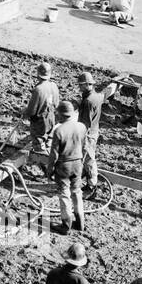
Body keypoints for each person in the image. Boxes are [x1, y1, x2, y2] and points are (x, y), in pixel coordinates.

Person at [48, 100, 88, 235]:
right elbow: (85, 147)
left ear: (61, 114)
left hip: (64, 165)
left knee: (64, 194)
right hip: (78, 164)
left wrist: (50, 170)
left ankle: (66, 225)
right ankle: (80, 221)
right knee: (77, 192)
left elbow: (54, 154)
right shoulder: (82, 127)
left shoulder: (59, 130)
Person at [76, 71, 119, 193]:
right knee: (87, 159)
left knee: (89, 160)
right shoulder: (96, 96)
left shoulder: (88, 102)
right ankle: (89, 180)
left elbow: (84, 124)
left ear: (85, 85)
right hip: (94, 131)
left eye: (80, 85)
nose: (79, 87)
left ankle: (92, 186)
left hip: (87, 135)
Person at [21, 62, 60, 176]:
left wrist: (25, 113)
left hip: (40, 122)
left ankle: (47, 169)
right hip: (51, 118)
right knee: (48, 140)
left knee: (38, 144)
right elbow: (56, 103)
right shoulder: (54, 86)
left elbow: (32, 111)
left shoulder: (38, 89)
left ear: (38, 74)